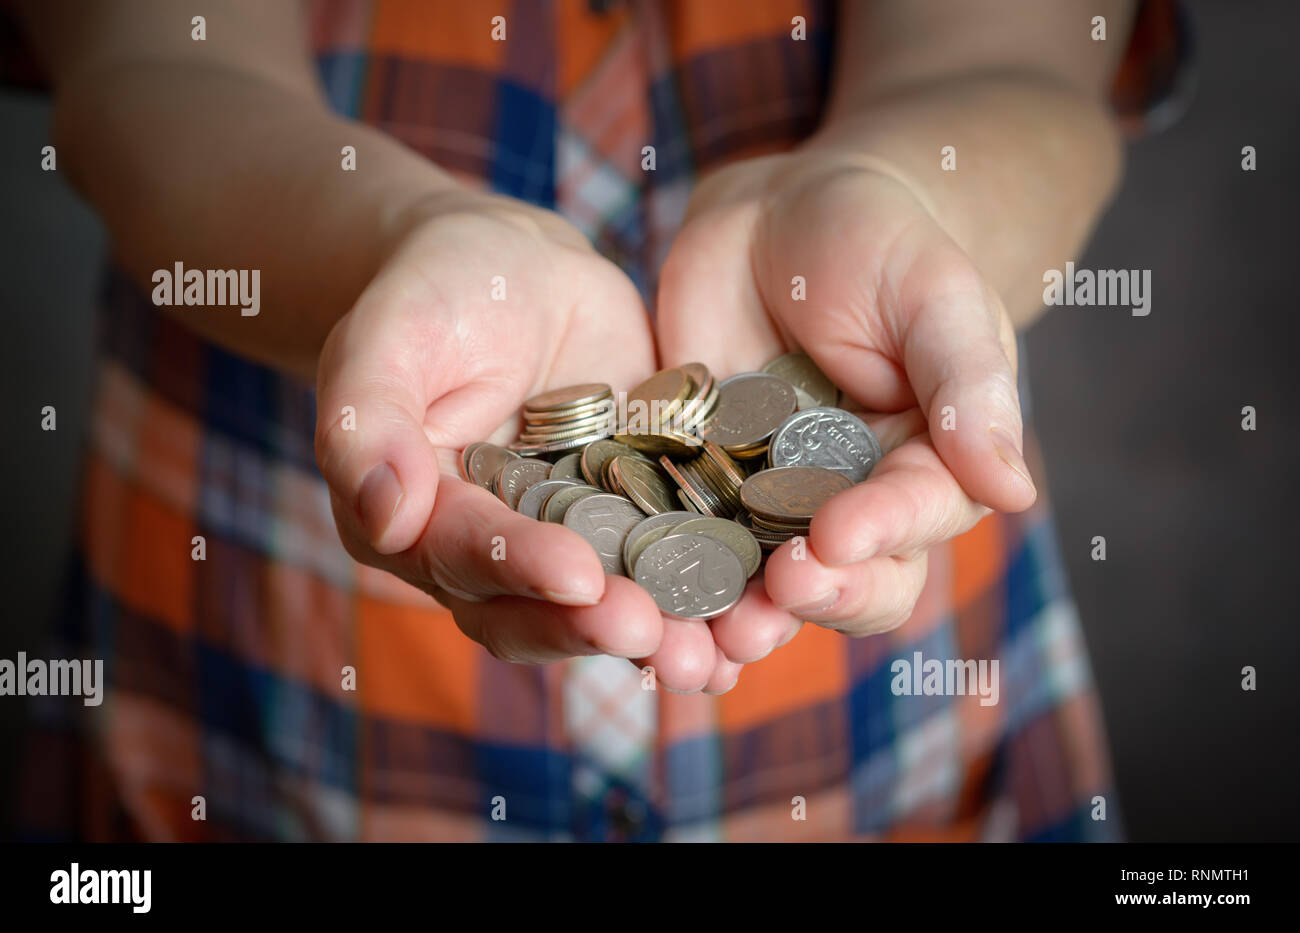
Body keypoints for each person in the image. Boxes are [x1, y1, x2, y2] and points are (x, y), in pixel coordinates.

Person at [9, 0, 1186, 841]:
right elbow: (150, 63)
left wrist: (901, 193)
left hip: (888, 734)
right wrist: (384, 242)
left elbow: (1022, 60)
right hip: (268, 678)